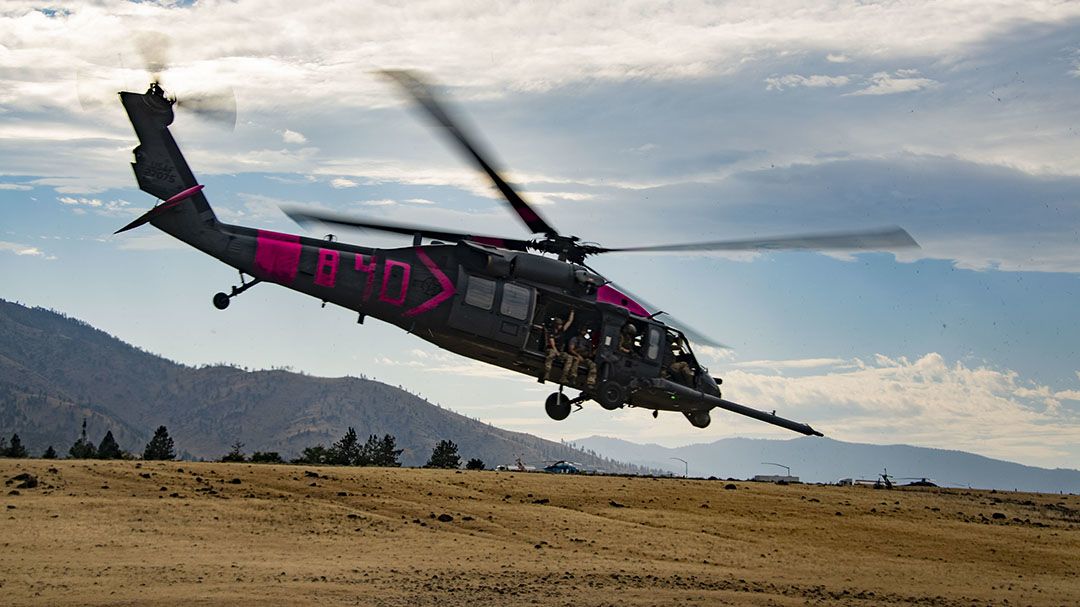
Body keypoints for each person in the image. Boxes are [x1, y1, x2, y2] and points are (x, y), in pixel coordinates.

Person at [541, 309, 574, 383]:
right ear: (555, 325)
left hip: (559, 351)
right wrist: (556, 352)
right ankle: (547, 373)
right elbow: (552, 343)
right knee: (551, 355)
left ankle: (564, 377)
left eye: (561, 325)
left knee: (569, 358)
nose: (561, 326)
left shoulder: (562, 330)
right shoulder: (551, 331)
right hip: (551, 349)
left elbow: (569, 321)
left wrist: (572, 312)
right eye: (559, 324)